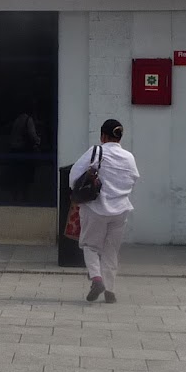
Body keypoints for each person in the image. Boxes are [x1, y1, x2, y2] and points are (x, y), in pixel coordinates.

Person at [68, 118, 139, 303]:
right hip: (121, 210)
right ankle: (110, 290)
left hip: (96, 209)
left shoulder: (96, 152)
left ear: (102, 136)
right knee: (111, 250)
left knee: (90, 246)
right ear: (120, 137)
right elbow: (133, 179)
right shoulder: (129, 157)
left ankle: (96, 278)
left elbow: (74, 176)